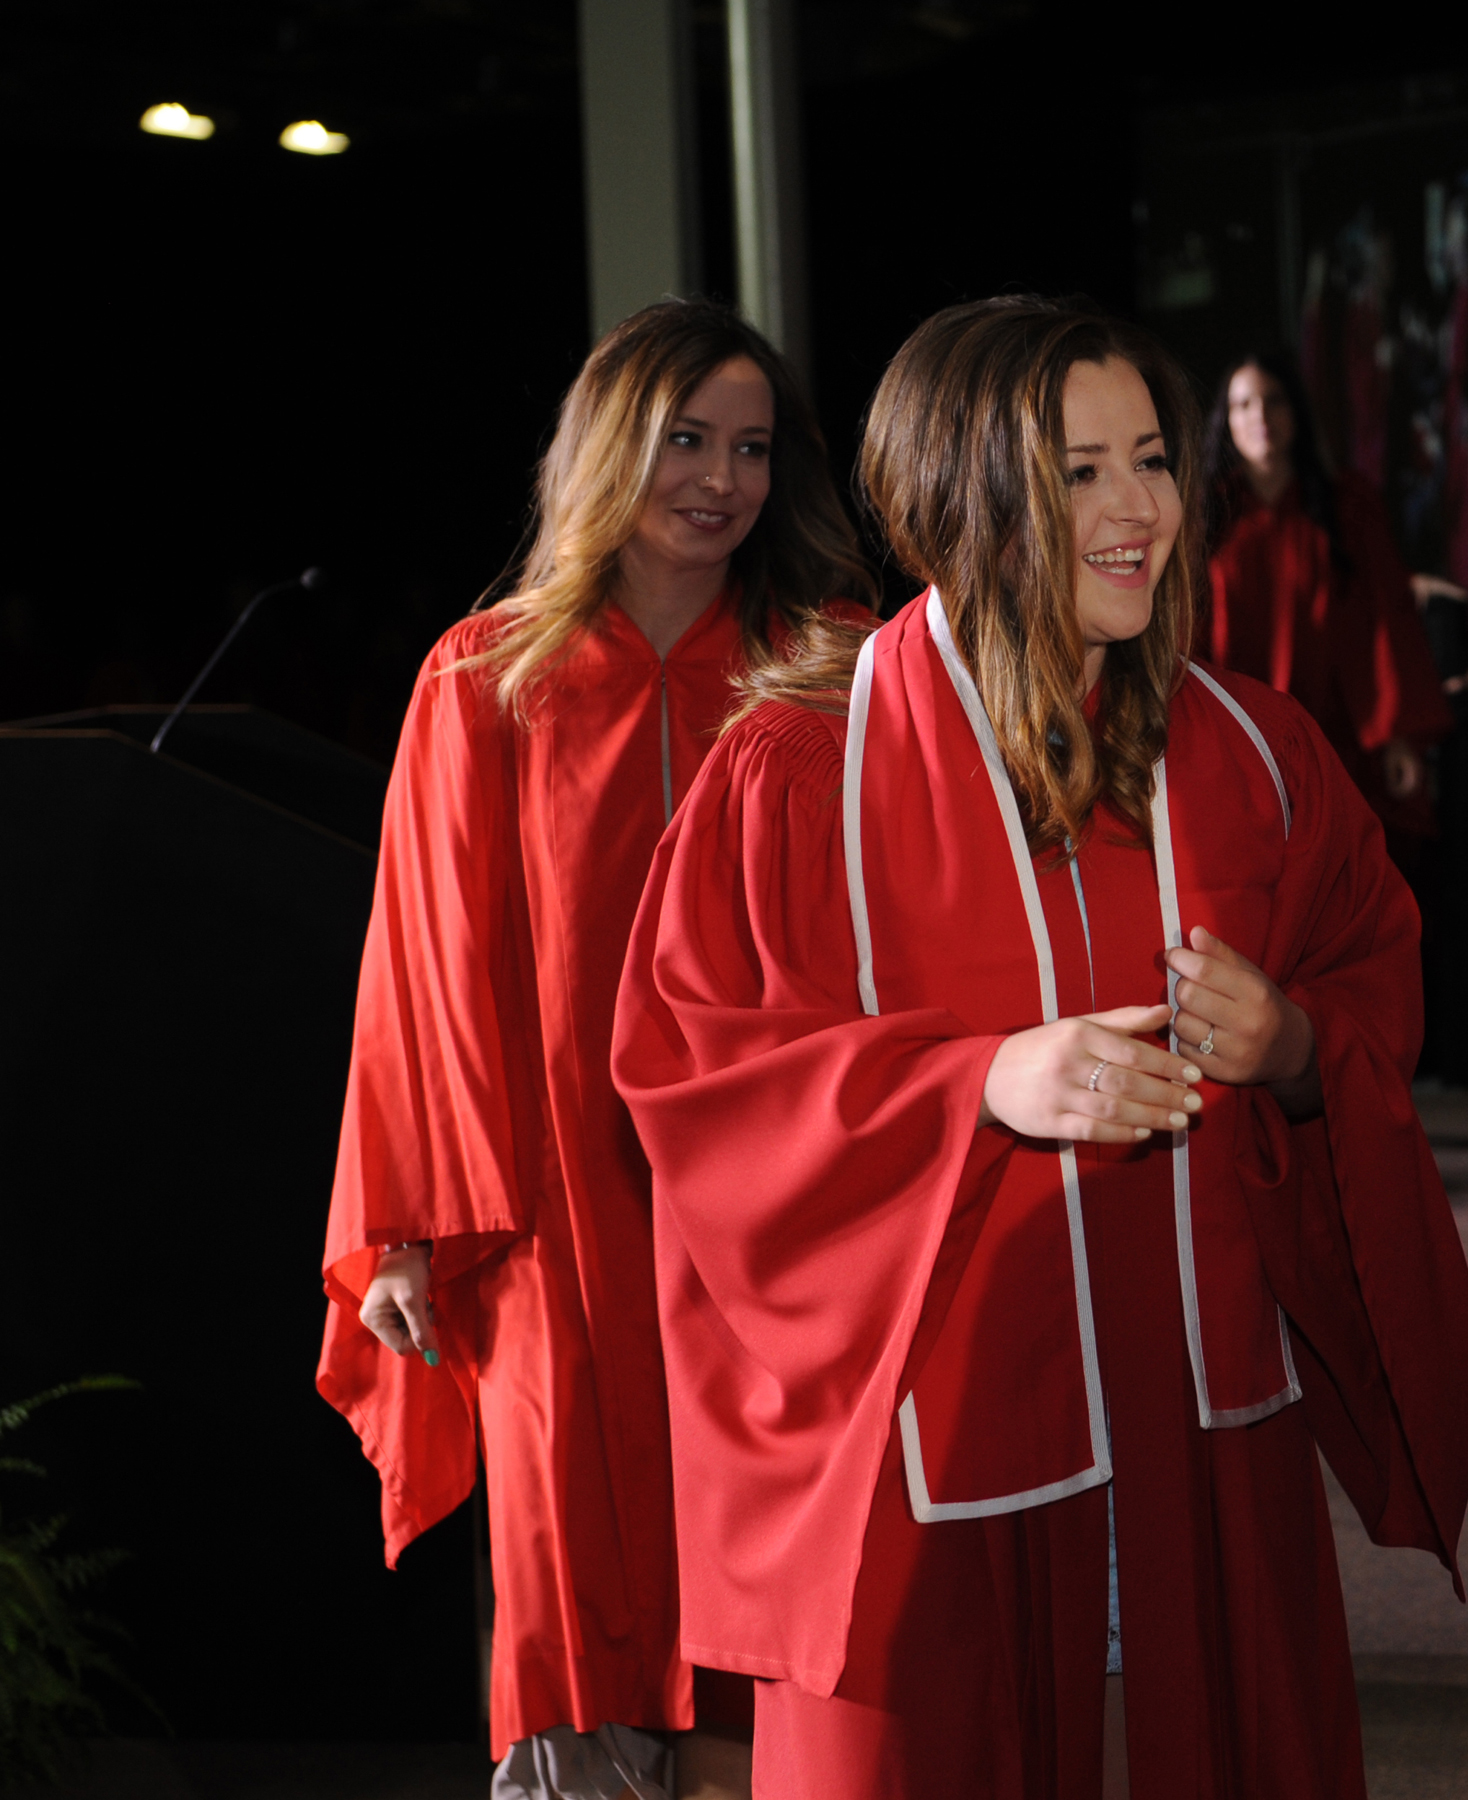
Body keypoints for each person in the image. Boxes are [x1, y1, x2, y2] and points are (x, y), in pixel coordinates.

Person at [610, 297, 1468, 1800]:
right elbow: (707, 1088)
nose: (1140, 508)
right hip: (942, 1459)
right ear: (963, 498)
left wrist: (1292, 1045)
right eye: (1079, 472)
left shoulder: (1253, 756)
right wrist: (978, 1084)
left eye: (1151, 459)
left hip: (1203, 1434)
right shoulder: (802, 777)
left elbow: (1365, 980)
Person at [319, 300, 877, 1800]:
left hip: (778, 1201)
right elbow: (424, 968)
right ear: (606, 448)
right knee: (576, 1568)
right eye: (685, 439)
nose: (722, 480)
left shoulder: (832, 668)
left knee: (777, 1561)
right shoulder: (488, 677)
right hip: (559, 1207)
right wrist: (405, 1226)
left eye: (752, 447)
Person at [1199, 350, 1452, 852]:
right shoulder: (1205, 520)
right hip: (1239, 743)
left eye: (1274, 400)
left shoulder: (1348, 507)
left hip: (1335, 739)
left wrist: (1397, 735)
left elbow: (1388, 621)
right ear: (1226, 421)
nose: (1260, 416)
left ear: (1296, 411)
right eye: (1243, 404)